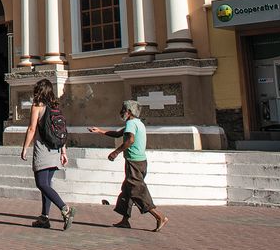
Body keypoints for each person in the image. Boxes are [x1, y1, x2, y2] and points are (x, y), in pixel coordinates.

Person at [88, 100, 169, 232]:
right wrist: (100, 131)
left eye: (124, 109)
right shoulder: (138, 123)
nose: (122, 112)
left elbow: (130, 140)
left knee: (137, 191)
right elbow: (118, 134)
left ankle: (159, 216)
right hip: (140, 162)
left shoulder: (131, 123)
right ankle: (125, 220)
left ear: (129, 112)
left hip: (134, 162)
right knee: (127, 191)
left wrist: (116, 152)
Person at [20, 79, 75, 230]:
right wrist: (64, 151)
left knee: (42, 184)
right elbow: (61, 129)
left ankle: (65, 209)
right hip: (55, 149)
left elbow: (31, 129)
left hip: (43, 150)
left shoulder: (37, 106)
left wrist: (25, 147)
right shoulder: (55, 106)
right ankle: (44, 218)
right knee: (46, 185)